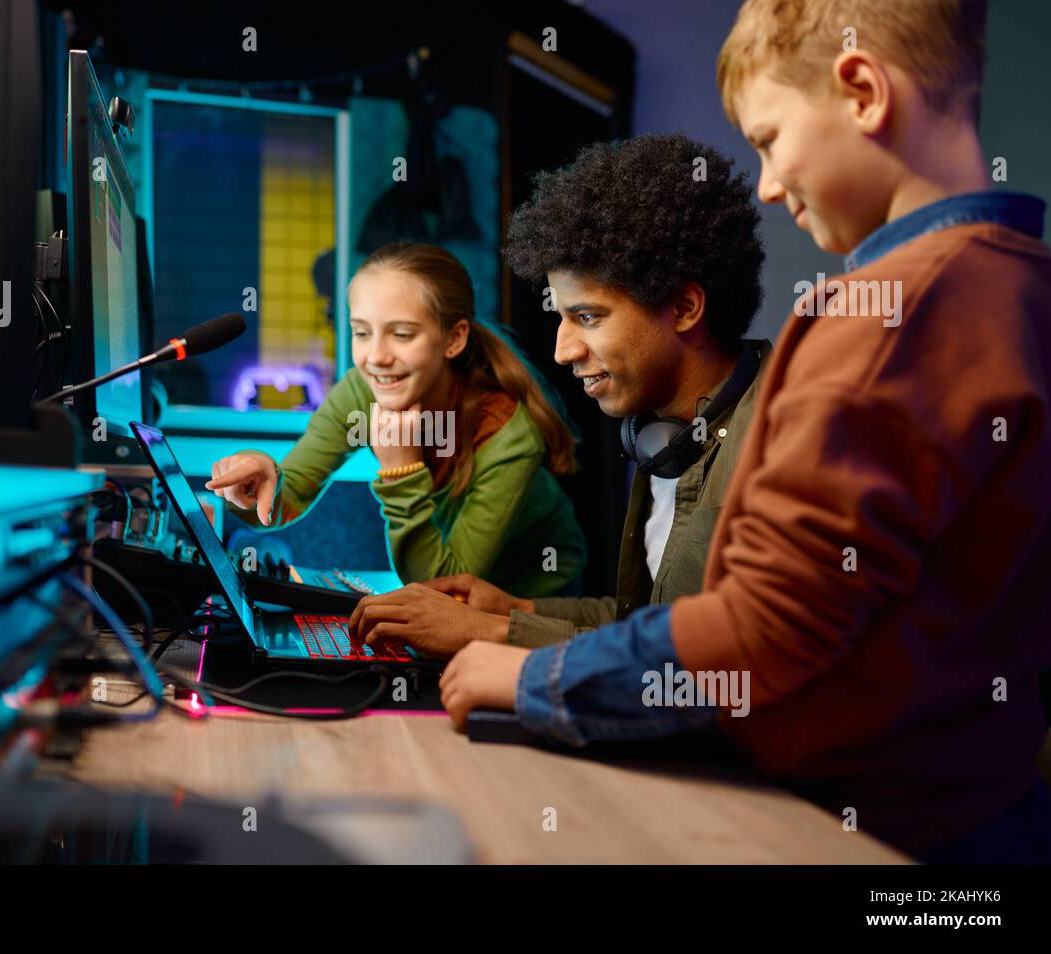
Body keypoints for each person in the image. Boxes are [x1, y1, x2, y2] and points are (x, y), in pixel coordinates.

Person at [364, 0, 1051, 862]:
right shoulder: (1020, 280)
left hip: (864, 838)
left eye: (769, 138)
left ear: (863, 91)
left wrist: (531, 669)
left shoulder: (883, 315)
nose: (767, 183)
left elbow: (761, 633)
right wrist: (522, 615)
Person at [348, 135, 770, 657]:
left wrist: (491, 634)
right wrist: (513, 610)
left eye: (588, 317)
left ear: (684, 308)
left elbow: (704, 660)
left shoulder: (777, 442)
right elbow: (640, 622)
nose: (563, 350)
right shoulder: (664, 439)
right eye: (561, 317)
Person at [206, 241, 586, 598]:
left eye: (402, 334)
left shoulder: (509, 433)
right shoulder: (360, 392)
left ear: (454, 339)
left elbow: (445, 588)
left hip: (536, 595)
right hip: (447, 589)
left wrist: (402, 472)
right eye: (361, 333)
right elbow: (286, 498)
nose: (376, 357)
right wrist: (256, 484)